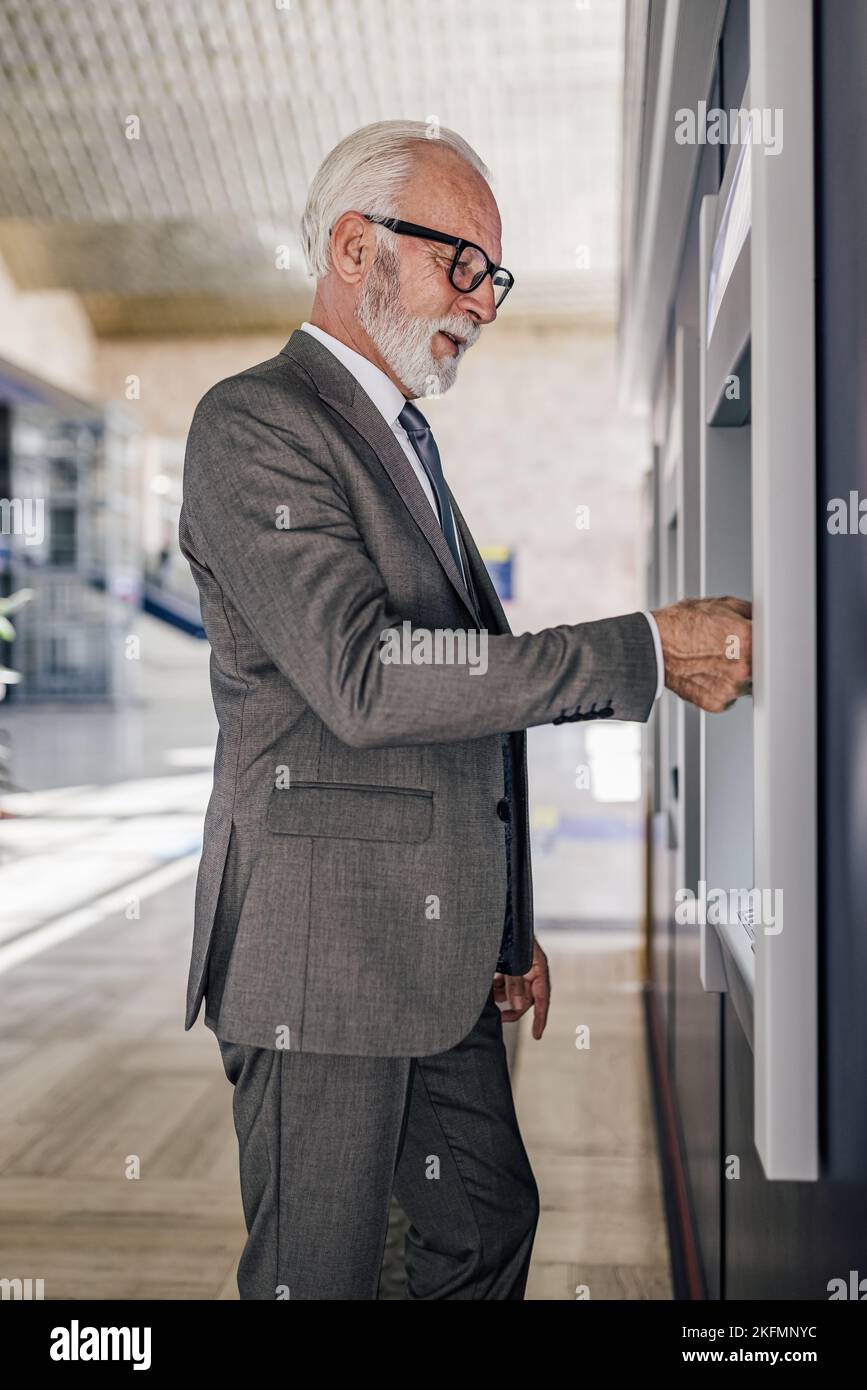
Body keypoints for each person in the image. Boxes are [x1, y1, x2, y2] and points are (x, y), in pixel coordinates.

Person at [179, 120, 751, 1300]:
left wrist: (500, 923)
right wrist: (640, 647)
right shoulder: (254, 424)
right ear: (354, 246)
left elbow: (458, 701)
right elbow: (369, 677)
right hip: (320, 962)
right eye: (464, 264)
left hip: (431, 951)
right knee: (323, 1274)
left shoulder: (404, 442)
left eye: (497, 275)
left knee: (484, 1222)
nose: (483, 304)